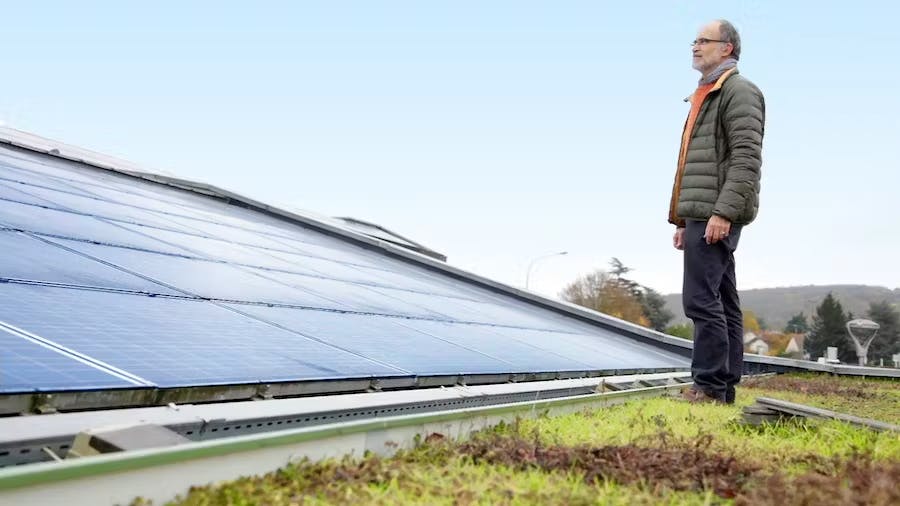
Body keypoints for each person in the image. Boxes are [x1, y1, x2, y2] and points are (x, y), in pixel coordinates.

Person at [669, 19, 765, 404]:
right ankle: (722, 386)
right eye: (694, 40)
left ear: (727, 48)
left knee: (699, 298)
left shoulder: (739, 92)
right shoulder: (706, 93)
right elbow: (693, 164)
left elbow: (745, 159)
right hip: (702, 212)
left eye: (704, 41)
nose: (695, 46)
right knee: (721, 299)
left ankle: (708, 386)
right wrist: (682, 219)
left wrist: (723, 212)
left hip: (717, 212)